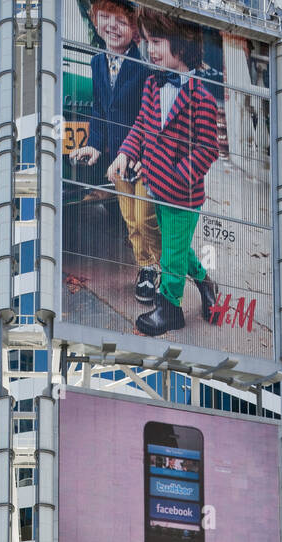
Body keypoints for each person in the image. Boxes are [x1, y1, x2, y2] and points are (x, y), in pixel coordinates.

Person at [107, 8, 219, 336]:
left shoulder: (202, 99)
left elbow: (207, 149)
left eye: (157, 42)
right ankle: (206, 284)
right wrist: (125, 154)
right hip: (154, 184)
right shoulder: (153, 86)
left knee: (171, 253)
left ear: (181, 44)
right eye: (148, 42)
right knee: (176, 246)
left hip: (182, 194)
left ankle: (170, 310)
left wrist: (176, 176)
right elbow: (142, 125)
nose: (150, 50)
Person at [68, 0, 159, 307]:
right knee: (129, 217)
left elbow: (150, 115)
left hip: (144, 155)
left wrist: (145, 153)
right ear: (95, 23)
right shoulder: (97, 63)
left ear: (134, 29)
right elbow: (99, 109)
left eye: (121, 21)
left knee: (146, 216)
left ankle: (158, 268)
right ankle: (145, 266)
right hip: (116, 159)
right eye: (105, 18)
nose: (111, 26)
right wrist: (94, 143)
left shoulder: (144, 65)